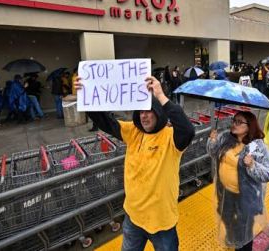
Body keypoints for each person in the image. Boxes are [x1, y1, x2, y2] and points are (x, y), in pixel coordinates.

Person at [76, 76, 195, 251]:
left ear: (158, 112)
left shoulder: (170, 137)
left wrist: (161, 95)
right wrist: (85, 96)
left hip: (161, 223)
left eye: (148, 111)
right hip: (133, 217)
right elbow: (107, 123)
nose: (144, 116)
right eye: (140, 112)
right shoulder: (133, 131)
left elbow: (187, 130)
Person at [207, 111, 269, 251]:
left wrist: (252, 165)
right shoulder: (226, 138)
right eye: (234, 120)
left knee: (244, 232)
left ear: (249, 126)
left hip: (245, 200)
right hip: (225, 194)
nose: (234, 124)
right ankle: (233, 240)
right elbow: (213, 153)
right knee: (227, 220)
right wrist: (212, 140)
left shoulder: (257, 146)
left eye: (239, 122)